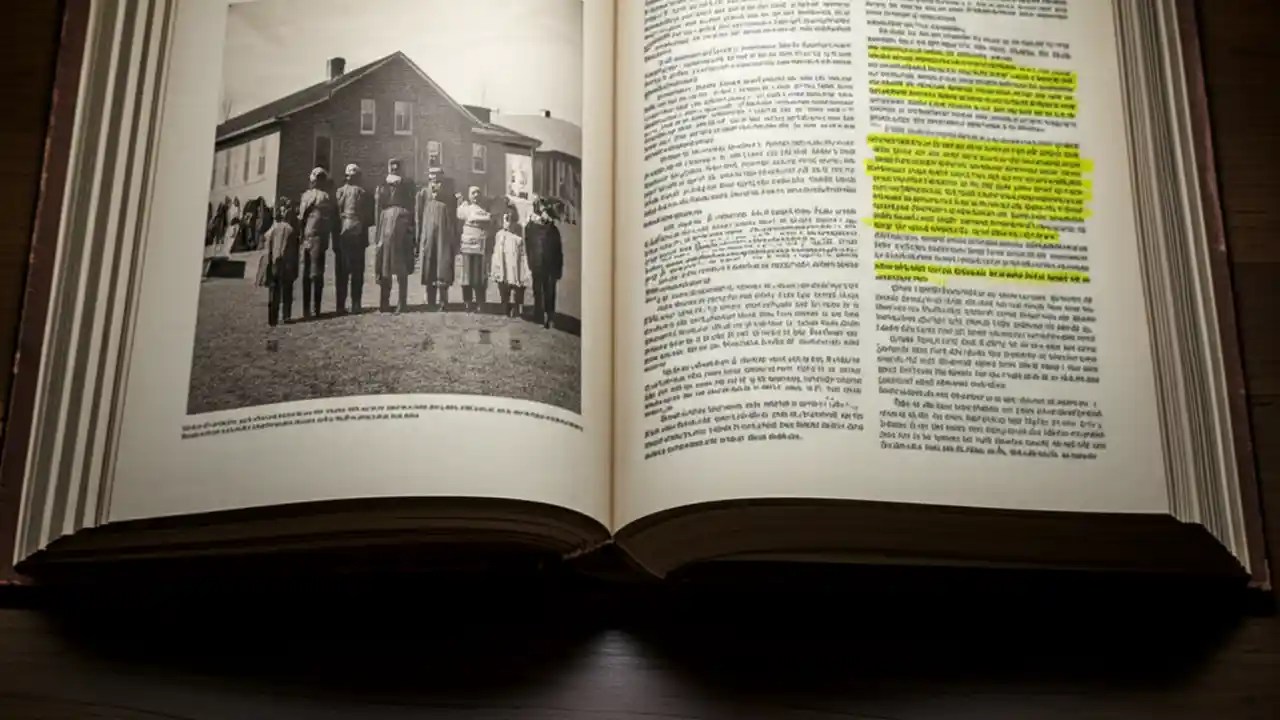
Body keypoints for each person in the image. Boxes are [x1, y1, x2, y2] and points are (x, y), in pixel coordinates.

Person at [374, 158, 417, 314]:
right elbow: (378, 208)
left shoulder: (408, 185)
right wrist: (378, 233)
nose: (394, 169)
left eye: (397, 167)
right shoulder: (382, 186)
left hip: (402, 225)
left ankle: (402, 303)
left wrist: (411, 228)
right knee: (384, 265)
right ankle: (384, 303)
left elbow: (413, 207)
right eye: (392, 167)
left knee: (401, 266)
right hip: (385, 224)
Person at [298, 167, 336, 318]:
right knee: (316, 274)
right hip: (320, 238)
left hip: (310, 237)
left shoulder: (308, 196)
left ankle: (308, 309)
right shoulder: (327, 197)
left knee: (308, 274)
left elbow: (301, 218)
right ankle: (315, 309)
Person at [335, 164, 373, 314]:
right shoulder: (363, 193)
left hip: (345, 235)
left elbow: (336, 214)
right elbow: (369, 217)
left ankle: (343, 305)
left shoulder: (341, 192)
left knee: (345, 272)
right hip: (353, 236)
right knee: (354, 272)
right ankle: (352, 304)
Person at [416, 168, 456, 311]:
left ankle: (444, 301)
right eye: (432, 179)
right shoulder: (423, 193)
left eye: (437, 179)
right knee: (429, 263)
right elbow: (418, 215)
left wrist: (453, 237)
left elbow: (454, 217)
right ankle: (430, 301)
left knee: (443, 264)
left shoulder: (449, 195)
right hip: (428, 232)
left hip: (444, 234)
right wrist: (419, 235)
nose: (434, 182)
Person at [258, 201, 300, 326]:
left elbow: (267, 246)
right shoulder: (291, 230)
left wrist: (269, 263)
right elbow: (295, 251)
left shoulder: (273, 229)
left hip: (275, 263)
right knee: (287, 290)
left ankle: (272, 318)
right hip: (287, 264)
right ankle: (286, 316)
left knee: (274, 291)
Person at [525, 197, 563, 329]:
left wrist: (558, 269)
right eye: (540, 210)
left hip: (551, 265)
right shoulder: (530, 227)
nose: (543, 214)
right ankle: (538, 313)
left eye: (545, 210)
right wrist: (530, 262)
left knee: (550, 291)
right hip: (536, 263)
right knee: (537, 289)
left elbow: (558, 250)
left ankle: (550, 316)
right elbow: (528, 246)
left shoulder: (553, 230)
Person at [489, 202, 531, 318]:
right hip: (503, 260)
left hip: (514, 260)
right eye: (506, 219)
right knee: (503, 284)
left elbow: (522, 251)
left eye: (510, 219)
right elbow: (496, 252)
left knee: (517, 284)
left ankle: (517, 307)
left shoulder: (518, 234)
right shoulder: (500, 234)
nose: (507, 222)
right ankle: (505, 306)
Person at [455, 186, 492, 313]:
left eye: (478, 192)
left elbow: (489, 219)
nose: (476, 195)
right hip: (467, 246)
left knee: (479, 276)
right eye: (473, 193)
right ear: (469, 195)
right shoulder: (465, 209)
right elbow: (459, 215)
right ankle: (468, 302)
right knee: (466, 276)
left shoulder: (485, 209)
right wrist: (460, 203)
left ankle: (481, 302)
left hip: (480, 246)